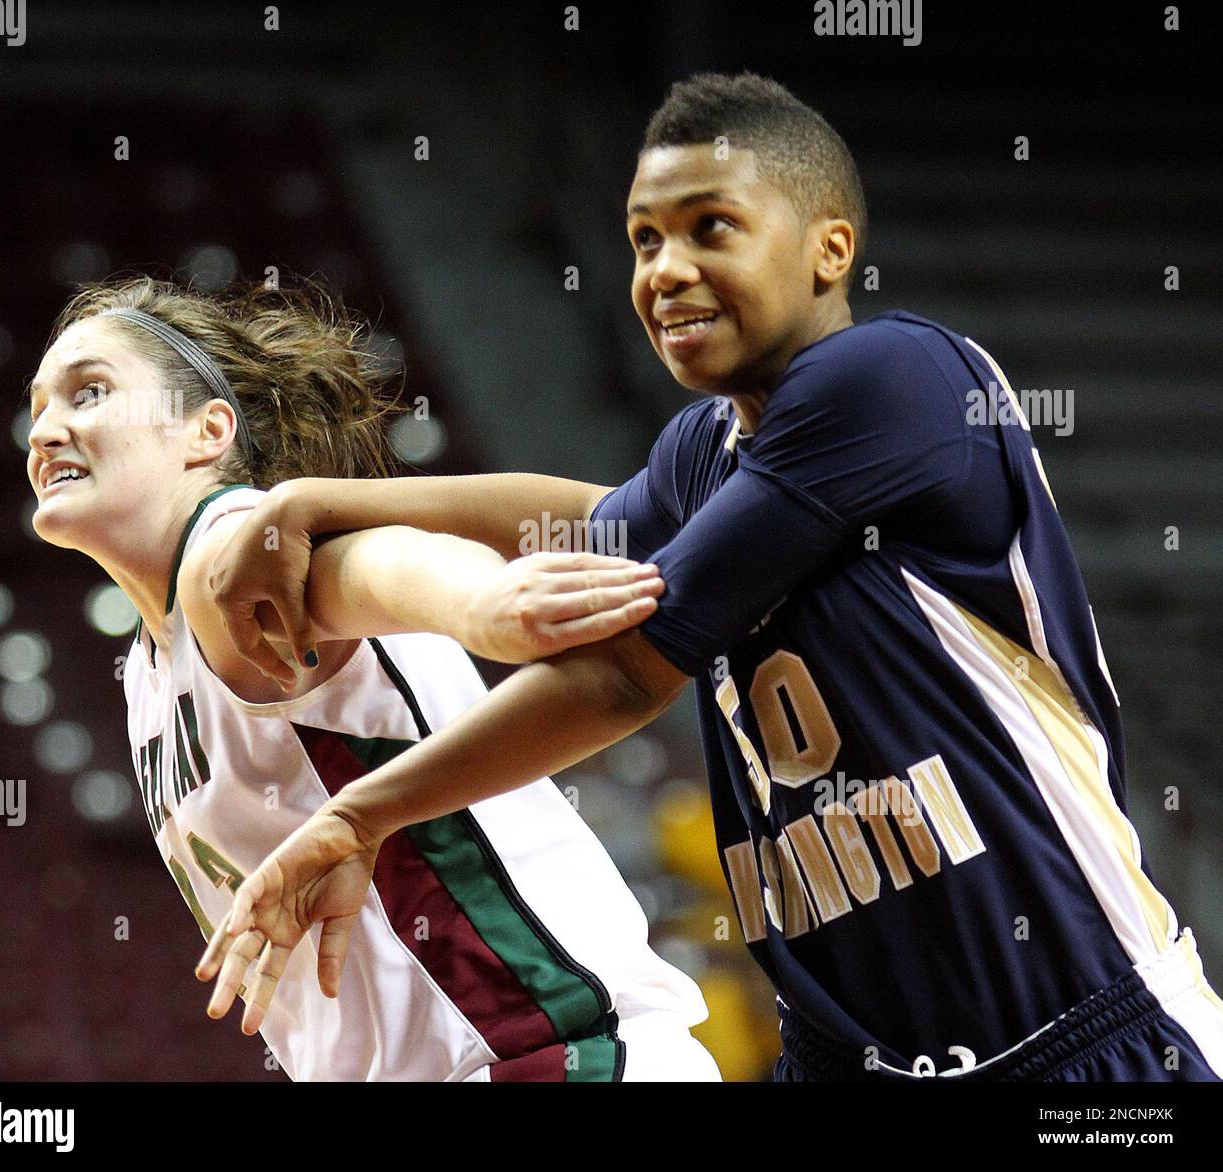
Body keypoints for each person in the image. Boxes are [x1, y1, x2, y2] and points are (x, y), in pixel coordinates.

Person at [197, 73, 1223, 1082]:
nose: (664, 269)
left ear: (831, 248)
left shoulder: (894, 382)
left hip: (1081, 1038)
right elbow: (581, 526)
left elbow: (623, 672)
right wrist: (318, 502)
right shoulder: (707, 455)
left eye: (709, 228)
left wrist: (358, 813)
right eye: (645, 239)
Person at [25, 274, 720, 1082]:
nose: (46, 431)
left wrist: (480, 601)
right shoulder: (149, 672)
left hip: (546, 1055)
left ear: (206, 431)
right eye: (38, 408)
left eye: (89, 393)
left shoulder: (228, 554)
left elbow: (384, 566)